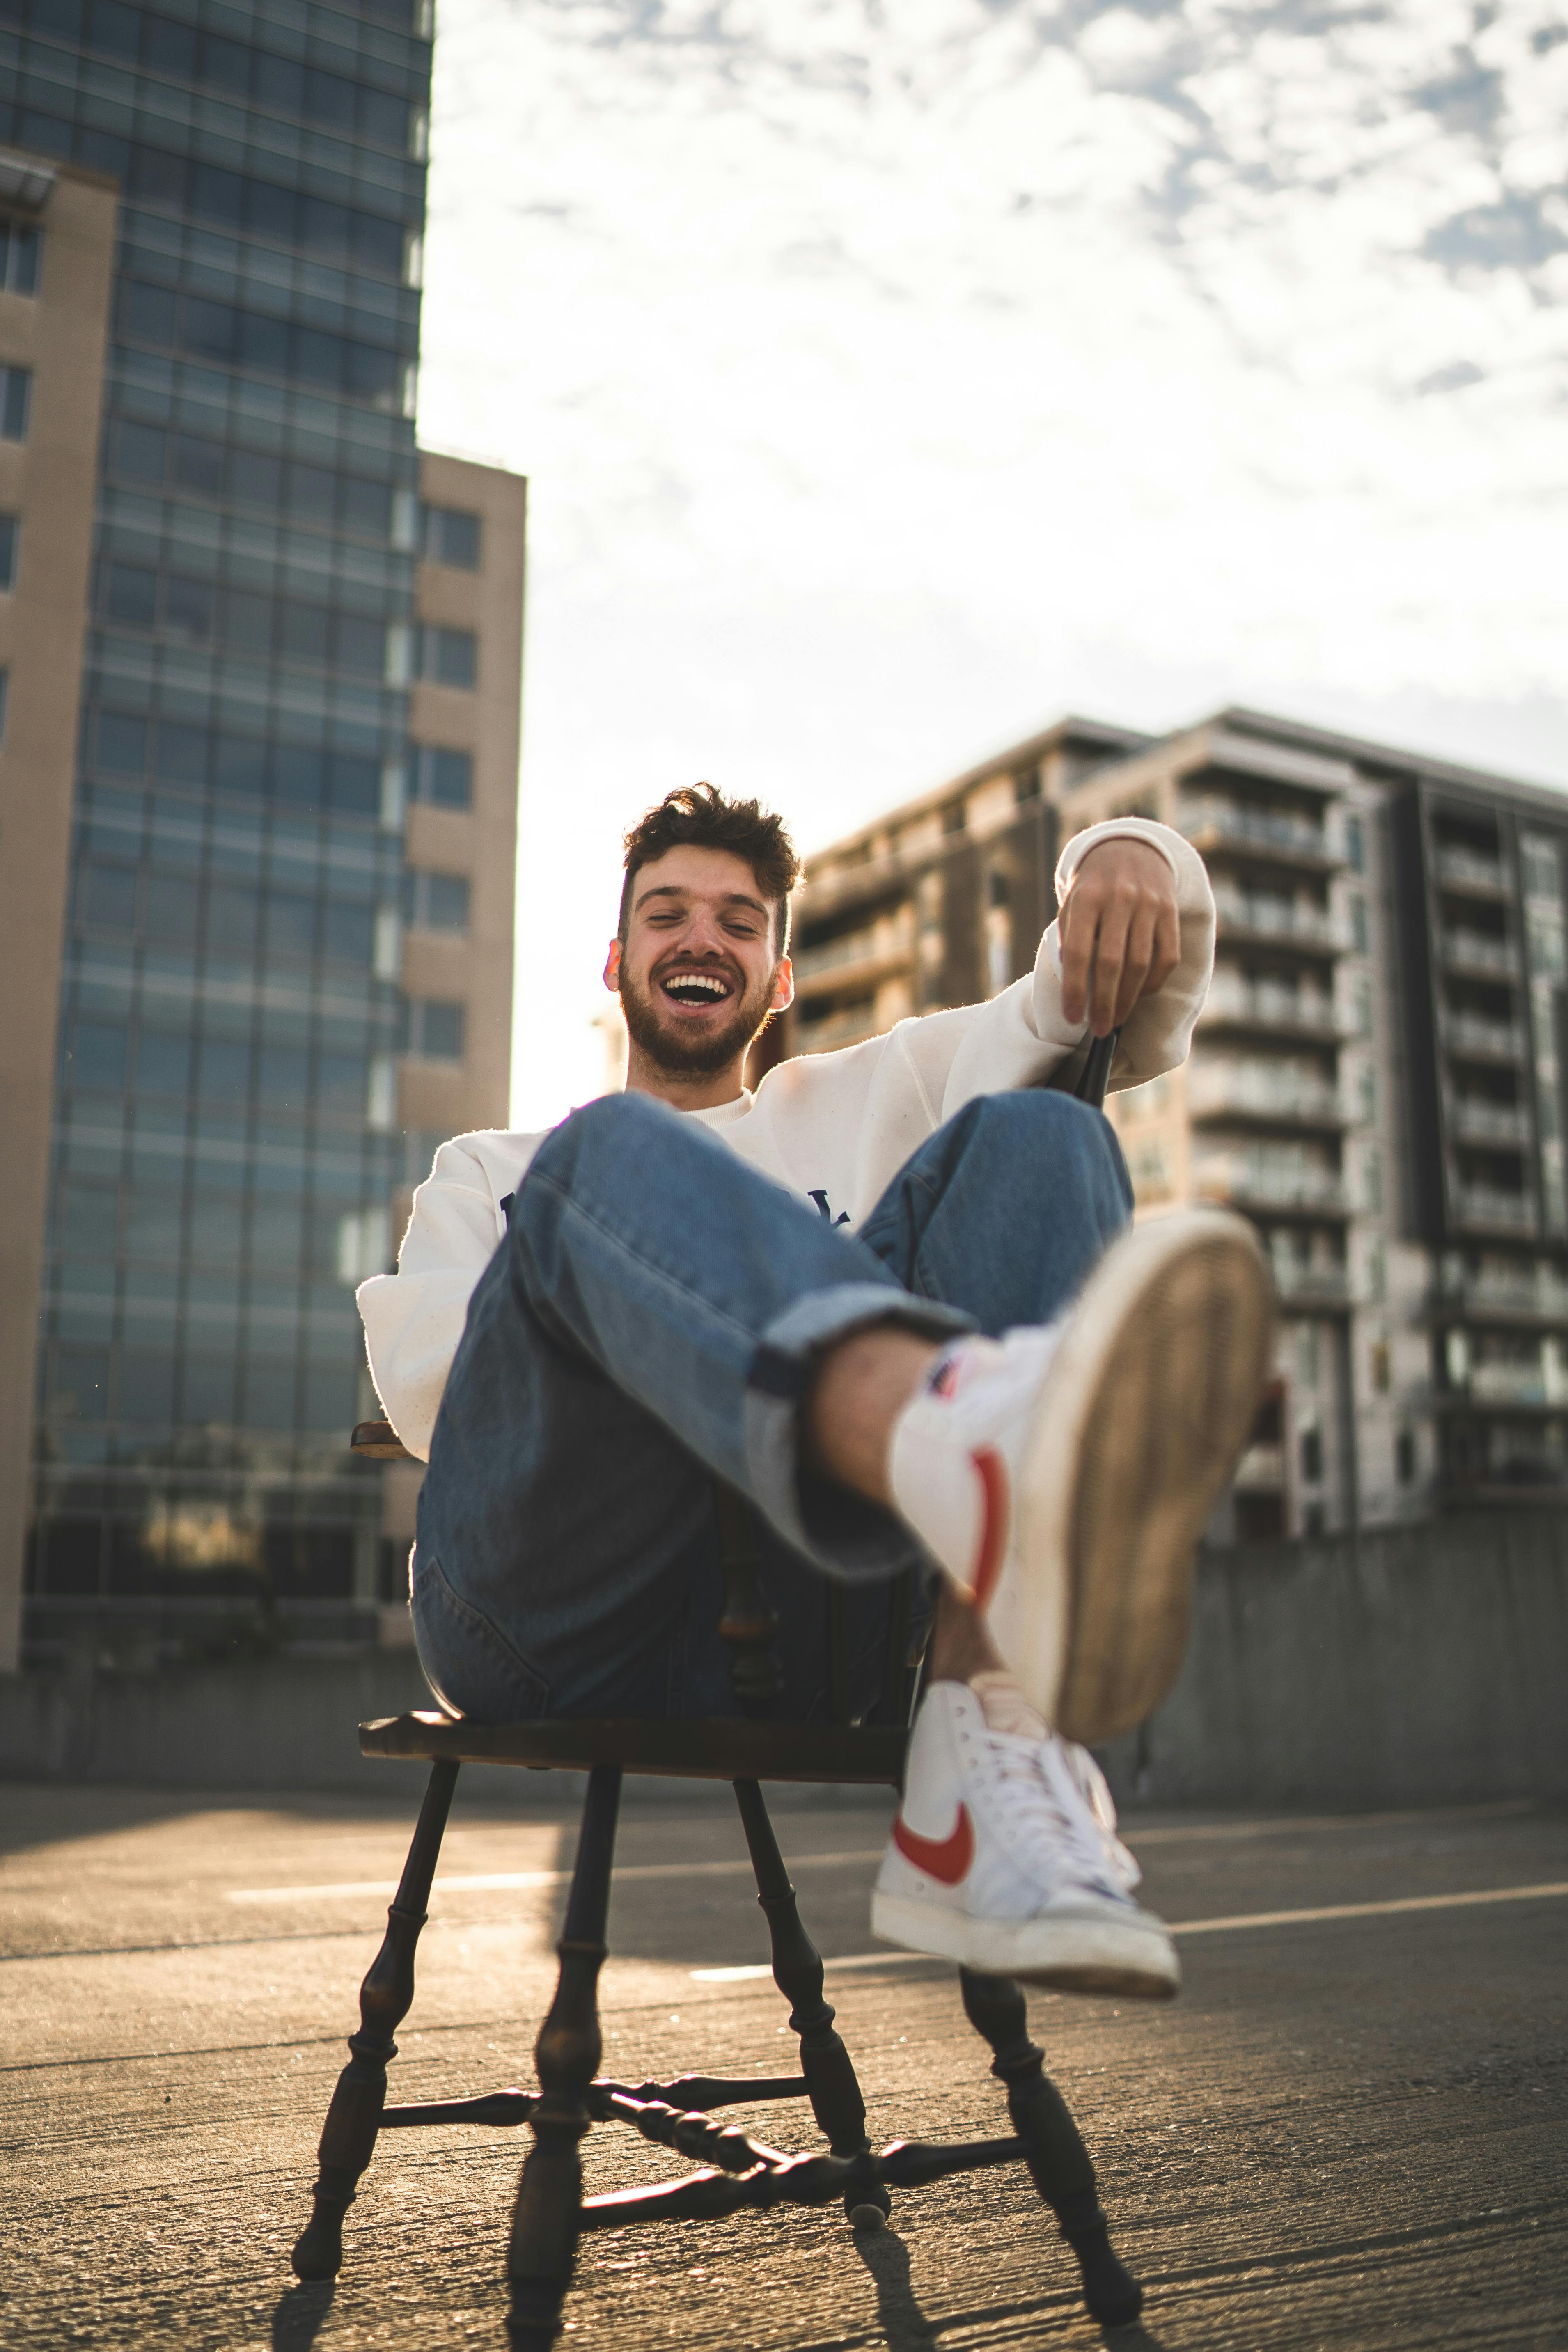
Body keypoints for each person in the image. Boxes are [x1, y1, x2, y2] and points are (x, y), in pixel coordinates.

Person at [358, 785, 1272, 2000]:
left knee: (1049, 1138)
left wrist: (1129, 850)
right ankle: (950, 1432)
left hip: (816, 1625)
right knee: (614, 1156)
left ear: (780, 977)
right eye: (667, 913)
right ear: (618, 962)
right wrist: (651, 1308)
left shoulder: (870, 1098)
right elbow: (430, 1388)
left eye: (741, 922)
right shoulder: (497, 1169)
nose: (702, 938)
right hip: (549, 1612)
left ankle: (985, 1727)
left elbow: (1080, 997)